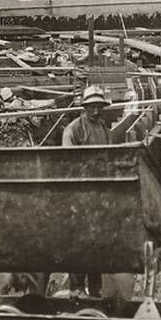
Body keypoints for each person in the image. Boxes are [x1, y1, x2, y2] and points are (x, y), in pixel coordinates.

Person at [62, 85, 116, 297]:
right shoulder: (73, 130)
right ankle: (76, 288)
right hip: (79, 193)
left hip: (99, 194)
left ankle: (95, 289)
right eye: (92, 107)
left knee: (97, 243)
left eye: (99, 107)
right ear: (84, 107)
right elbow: (69, 161)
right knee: (78, 242)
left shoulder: (103, 129)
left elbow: (110, 155)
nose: (96, 111)